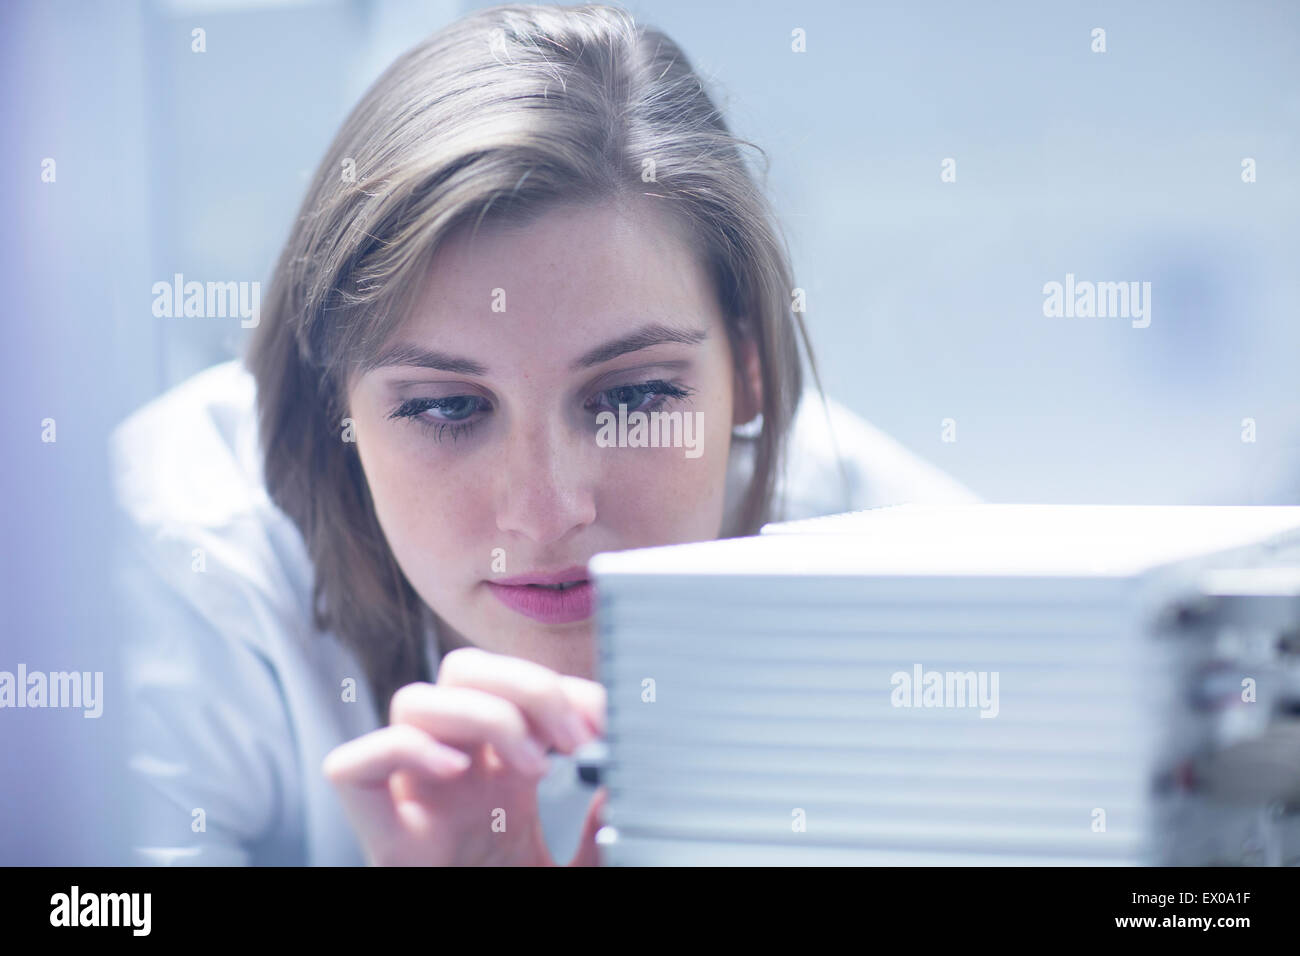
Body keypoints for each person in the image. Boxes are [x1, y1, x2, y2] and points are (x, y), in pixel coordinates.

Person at [111, 2, 979, 867]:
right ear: (329, 407)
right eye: (447, 408)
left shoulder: (916, 586)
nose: (546, 510)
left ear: (748, 369)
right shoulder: (172, 572)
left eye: (635, 397)